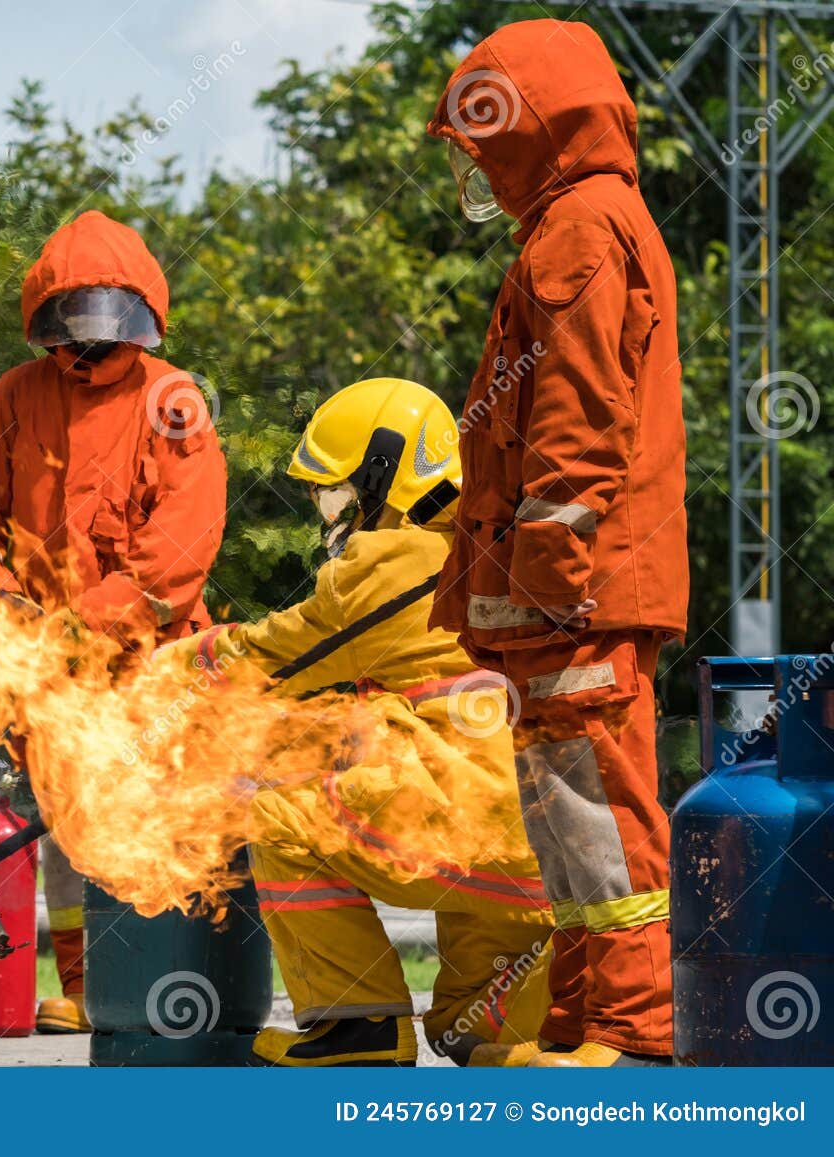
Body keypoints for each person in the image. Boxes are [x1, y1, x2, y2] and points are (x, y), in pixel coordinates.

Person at [426, 18, 688, 1066]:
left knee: (602, 819)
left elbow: (579, 421)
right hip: (560, 594)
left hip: (575, 594)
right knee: (571, 822)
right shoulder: (573, 223)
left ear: (534, 127)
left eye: (486, 136)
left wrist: (547, 580)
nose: (476, 165)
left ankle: (635, 1032)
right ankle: (583, 1024)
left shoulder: (581, 227)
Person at [163, 378, 554, 1066]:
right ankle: (554, 1053)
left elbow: (269, 660)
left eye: (335, 490)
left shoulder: (392, 560)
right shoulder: (492, 542)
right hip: (546, 846)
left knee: (281, 817)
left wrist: (176, 667)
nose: (329, 511)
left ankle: (360, 1027)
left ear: (382, 474)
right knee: (468, 1029)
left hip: (472, 816)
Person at [0, 209, 227, 1033]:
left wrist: (87, 626)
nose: (86, 351)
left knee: (163, 831)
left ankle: (180, 987)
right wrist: (2, 602)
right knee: (69, 834)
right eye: (69, 334)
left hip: (154, 665)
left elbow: (179, 552)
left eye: (102, 334)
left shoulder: (172, 400)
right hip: (52, 677)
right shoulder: (14, 395)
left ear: (140, 318)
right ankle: (84, 987)